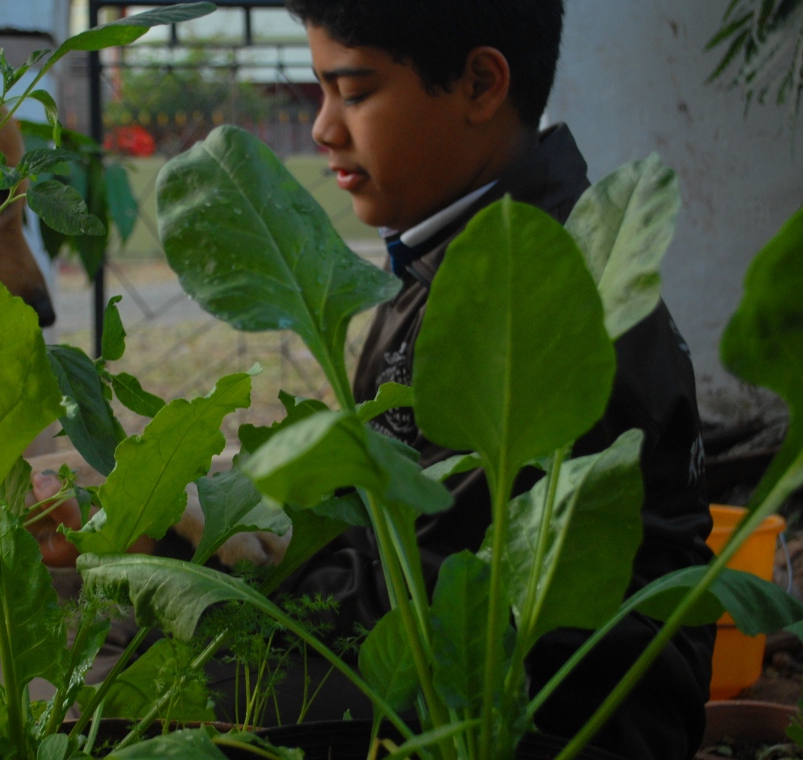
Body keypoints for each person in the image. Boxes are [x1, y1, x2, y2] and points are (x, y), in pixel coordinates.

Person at [233, 2, 715, 759]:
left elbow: (435, 595)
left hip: (573, 720)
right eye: (320, 92)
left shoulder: (528, 291)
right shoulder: (460, 251)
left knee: (192, 693)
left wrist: (237, 546)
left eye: (354, 92)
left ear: (481, 84)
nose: (325, 128)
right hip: (479, 673)